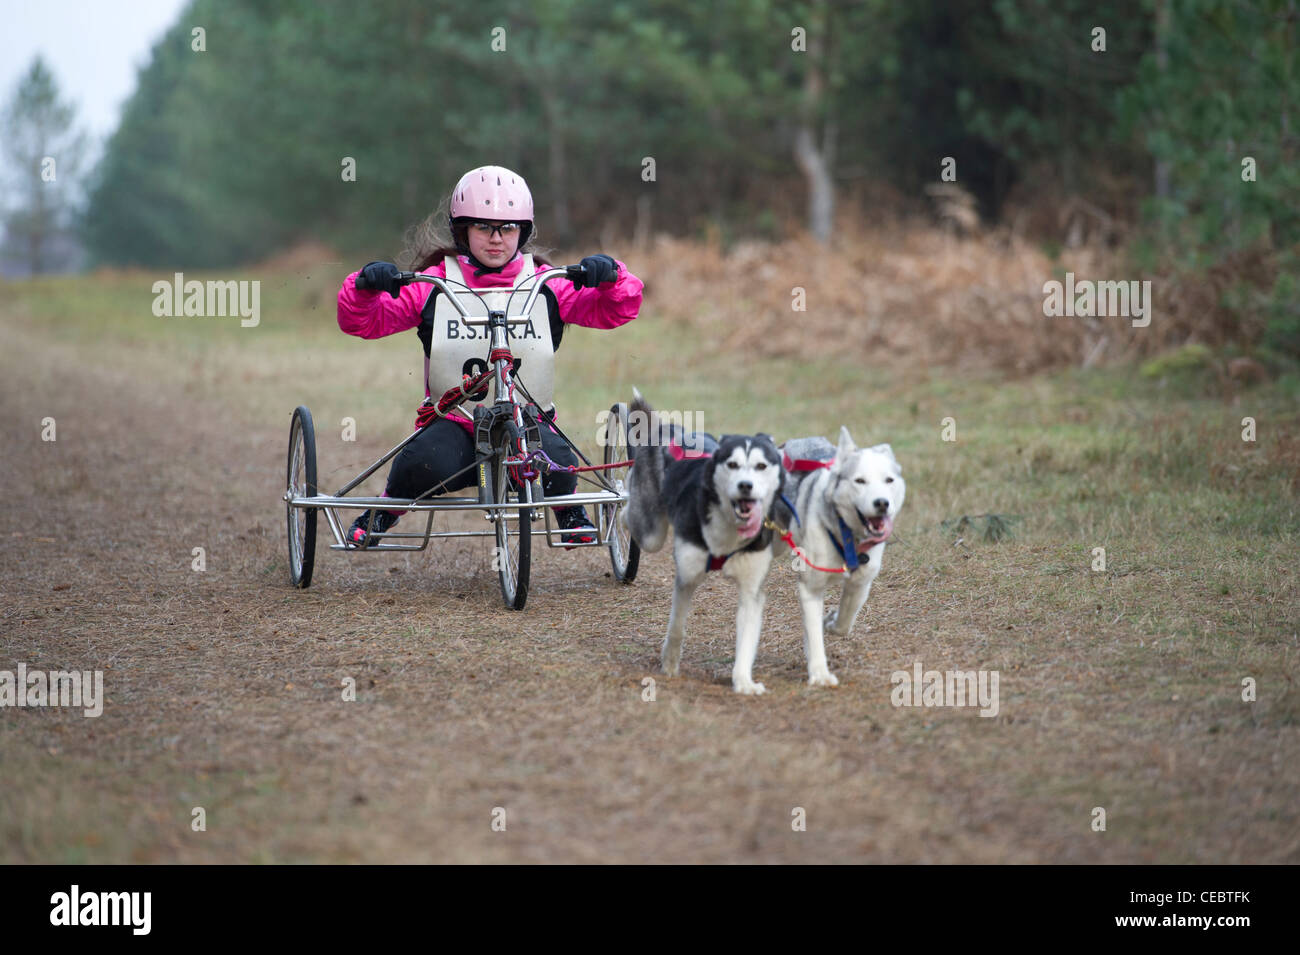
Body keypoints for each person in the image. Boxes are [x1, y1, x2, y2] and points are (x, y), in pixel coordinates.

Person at [336, 165, 643, 548]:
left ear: (523, 232)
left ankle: (570, 510)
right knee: (420, 464)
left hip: (527, 422)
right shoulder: (434, 284)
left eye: (508, 228)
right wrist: (364, 286)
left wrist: (612, 277)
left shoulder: (547, 283)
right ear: (462, 230)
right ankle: (382, 513)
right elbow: (360, 321)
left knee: (559, 464)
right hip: (456, 423)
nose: (496, 239)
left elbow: (619, 309)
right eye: (483, 227)